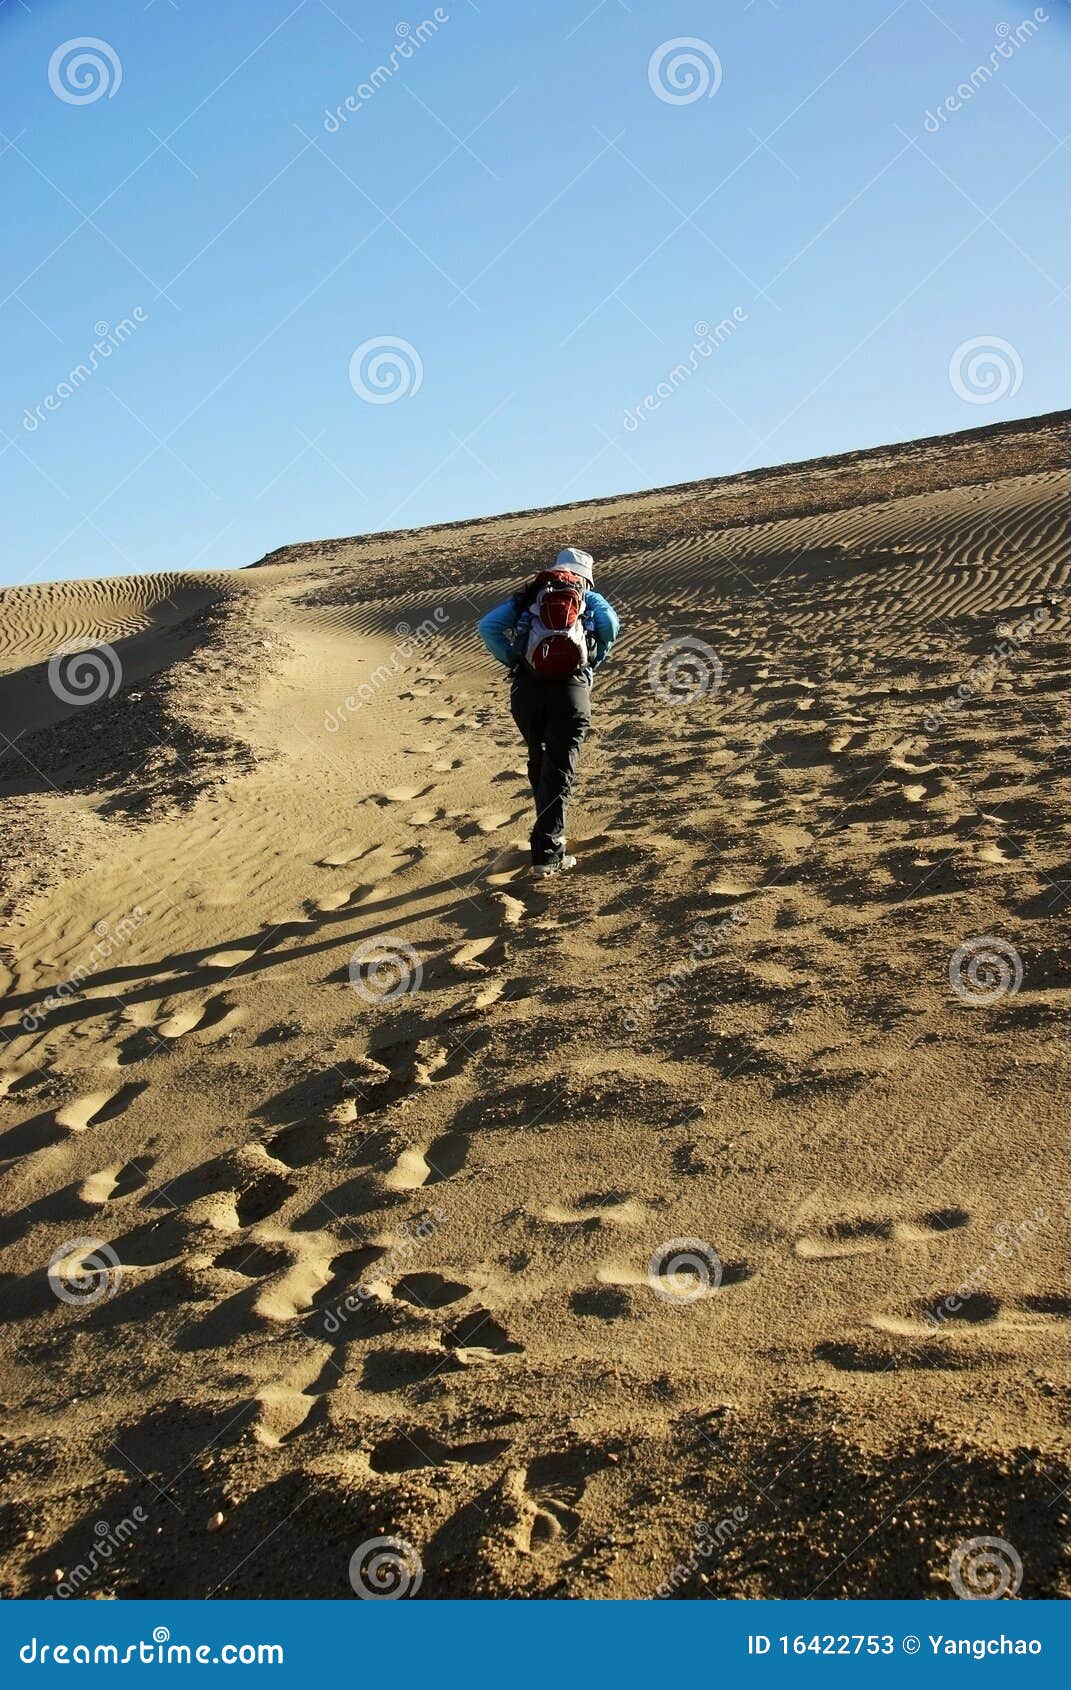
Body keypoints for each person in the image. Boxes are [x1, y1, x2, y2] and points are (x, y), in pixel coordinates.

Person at [476, 547, 620, 877]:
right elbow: (611, 624)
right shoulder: (588, 597)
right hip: (570, 690)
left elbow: (487, 627)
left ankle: (544, 841)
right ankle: (548, 856)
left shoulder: (530, 596)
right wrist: (593, 659)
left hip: (527, 692)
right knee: (560, 769)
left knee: (540, 761)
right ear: (585, 578)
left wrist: (516, 661)